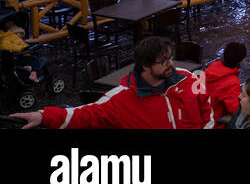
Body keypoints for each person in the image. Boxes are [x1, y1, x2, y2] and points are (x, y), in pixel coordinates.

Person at [12, 36, 215, 129]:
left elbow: (206, 106)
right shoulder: (120, 99)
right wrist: (43, 115)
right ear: (145, 65)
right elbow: (84, 114)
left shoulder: (187, 78)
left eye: (171, 58)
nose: (172, 64)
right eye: (164, 61)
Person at [204, 41, 247, 124]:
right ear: (240, 61)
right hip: (212, 121)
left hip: (201, 114)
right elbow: (235, 110)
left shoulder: (213, 66)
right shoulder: (231, 83)